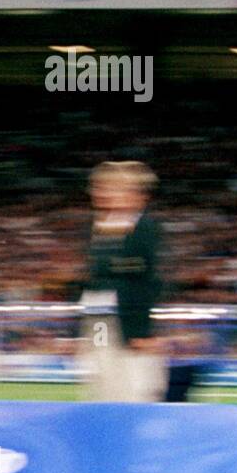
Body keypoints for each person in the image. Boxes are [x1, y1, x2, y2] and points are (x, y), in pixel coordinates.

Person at [77, 161, 168, 402]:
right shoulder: (99, 228)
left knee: (136, 389)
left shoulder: (144, 228)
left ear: (133, 193)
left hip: (131, 323)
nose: (98, 194)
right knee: (104, 386)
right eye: (97, 188)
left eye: (108, 188)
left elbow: (148, 281)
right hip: (100, 321)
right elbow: (93, 279)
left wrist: (143, 331)